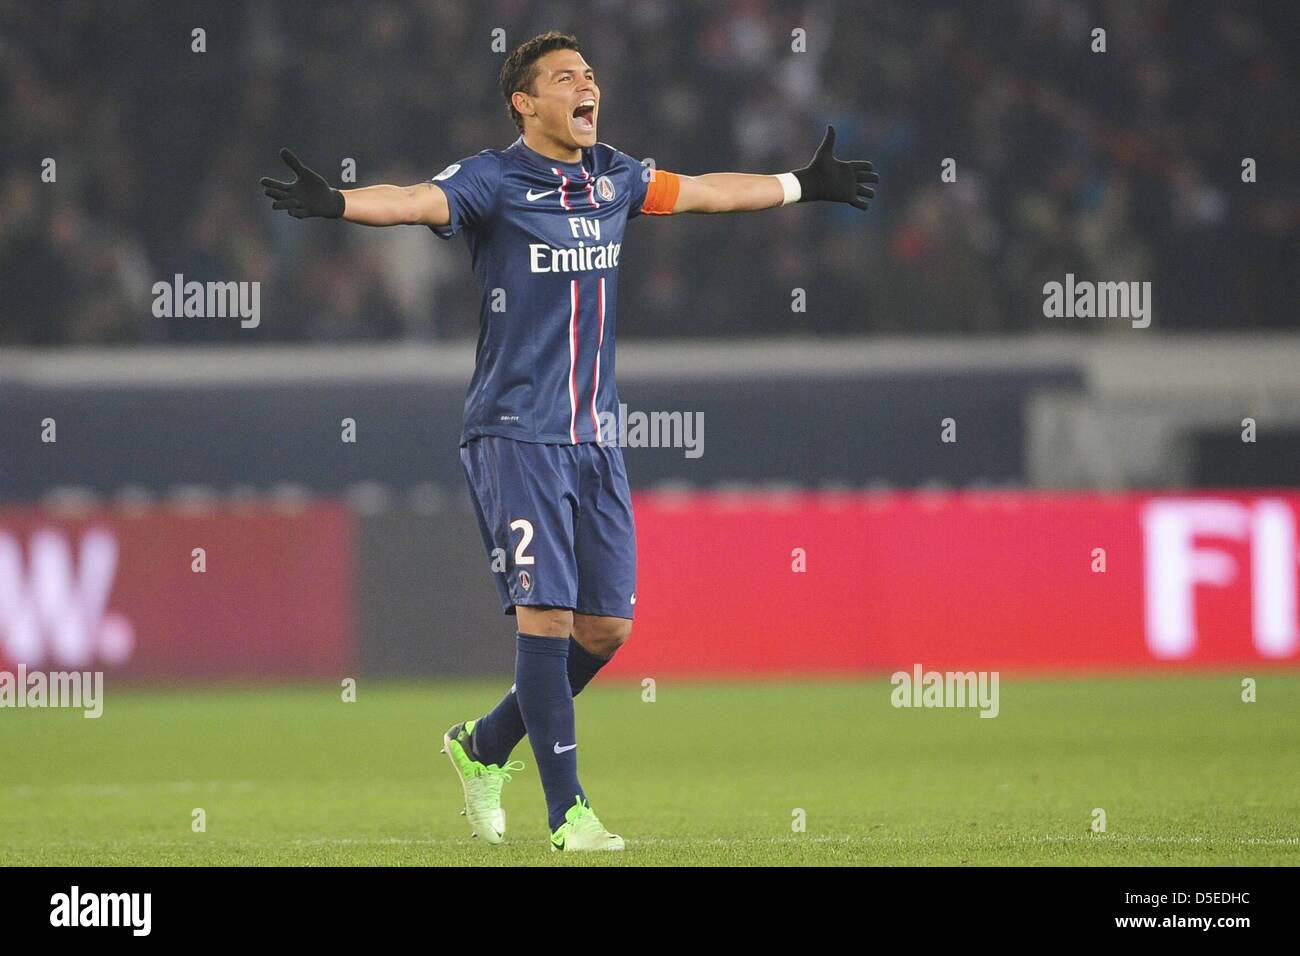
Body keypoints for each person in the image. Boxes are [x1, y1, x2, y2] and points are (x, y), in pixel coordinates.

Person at [261, 30, 877, 852]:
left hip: (595, 437)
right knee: (545, 617)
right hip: (515, 431)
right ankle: (569, 815)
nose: (587, 87)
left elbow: (705, 193)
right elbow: (414, 200)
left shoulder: (615, 177)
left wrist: (800, 183)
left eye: (589, 75)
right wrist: (339, 202)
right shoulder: (494, 179)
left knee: (605, 630)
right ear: (525, 102)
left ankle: (482, 748)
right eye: (564, 78)